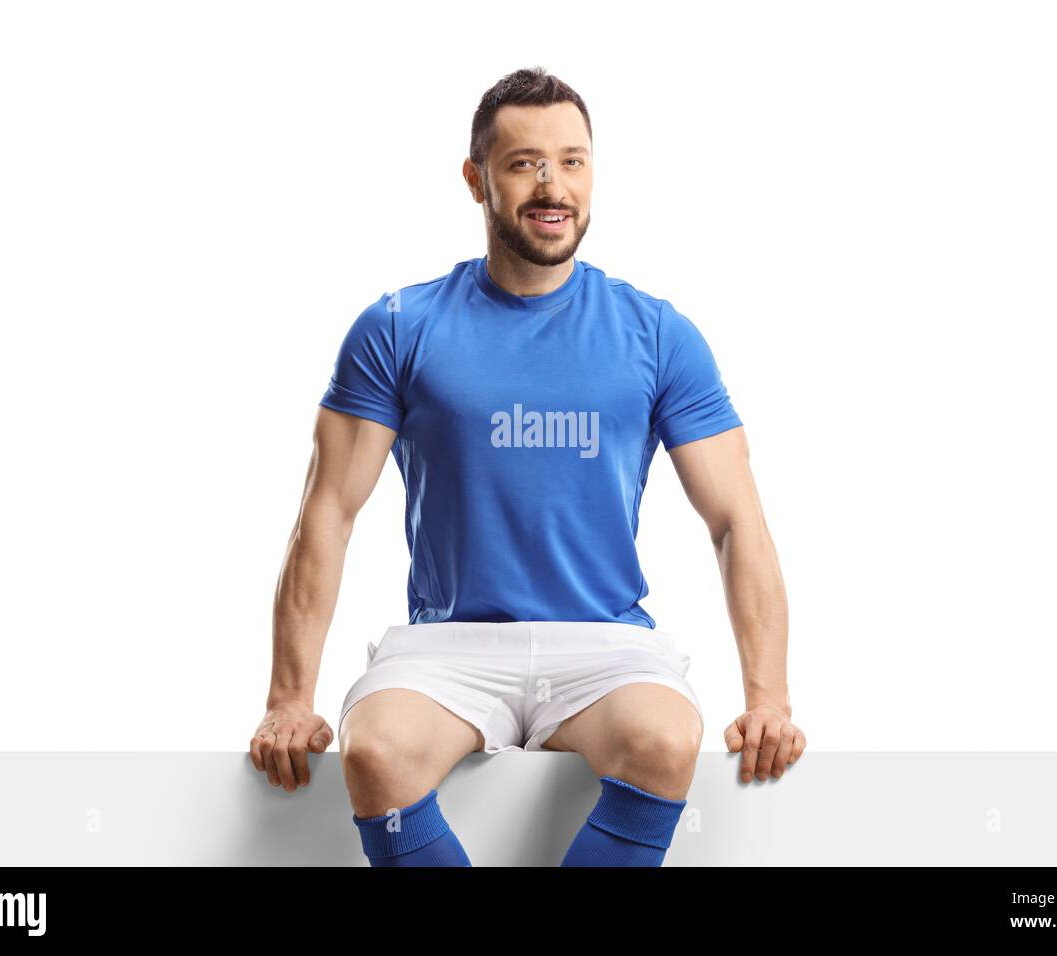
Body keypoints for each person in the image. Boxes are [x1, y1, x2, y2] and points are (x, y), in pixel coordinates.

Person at [248, 67, 804, 866]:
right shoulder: (398, 327)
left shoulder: (656, 333)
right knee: (375, 753)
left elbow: (735, 520)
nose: (553, 185)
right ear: (476, 179)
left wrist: (769, 700)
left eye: (573, 161)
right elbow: (328, 513)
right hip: (448, 647)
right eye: (524, 163)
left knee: (664, 738)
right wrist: (288, 700)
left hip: (605, 642)